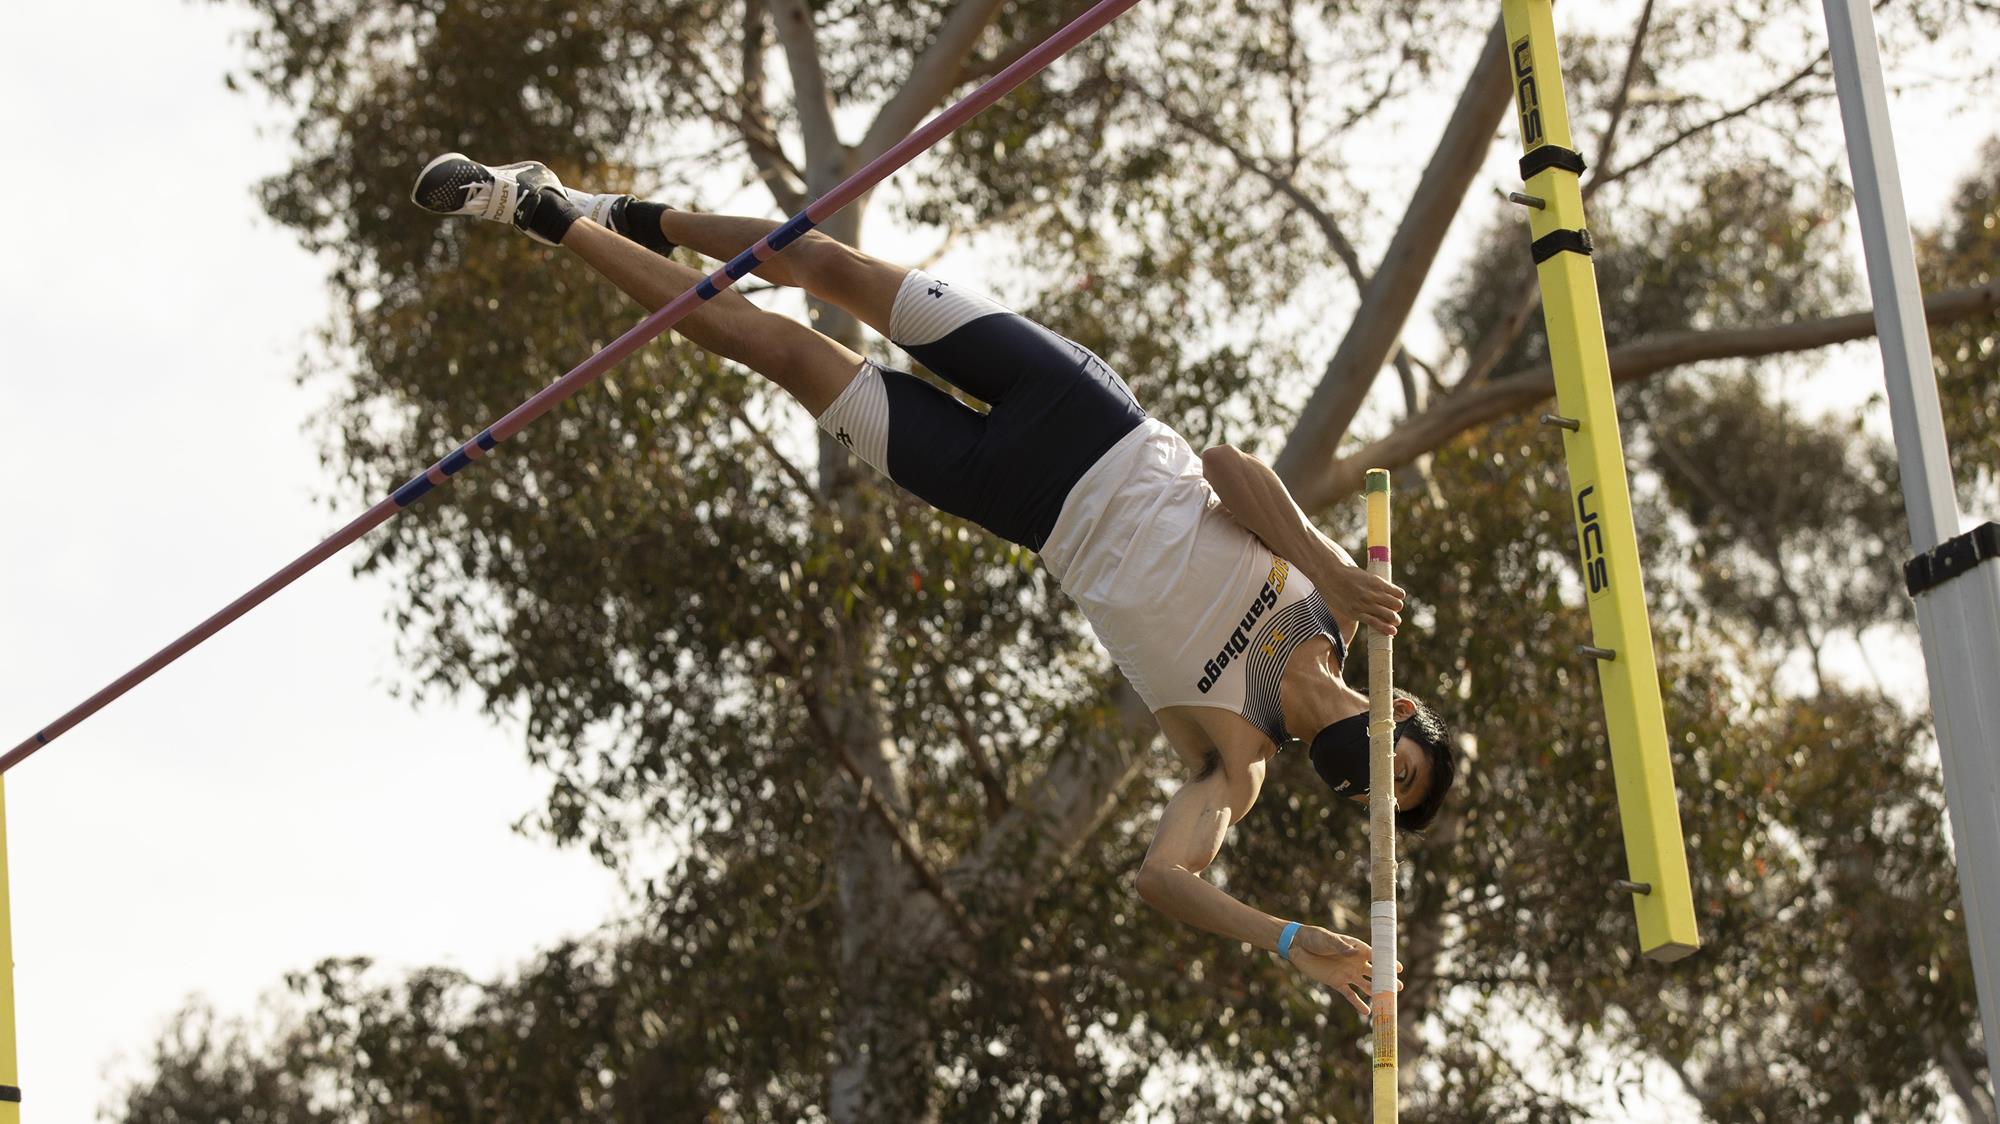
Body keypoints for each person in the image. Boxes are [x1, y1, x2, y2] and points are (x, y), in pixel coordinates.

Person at [411, 154, 1457, 1014]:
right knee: (823, 264)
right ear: (1400, 709)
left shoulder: (1232, 762)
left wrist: (1285, 938)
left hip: (1010, 498)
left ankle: (539, 212)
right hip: (1083, 414)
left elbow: (1160, 877)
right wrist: (1326, 563)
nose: (1377, 783)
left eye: (1382, 798)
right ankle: (640, 214)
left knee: (776, 350)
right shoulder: (1329, 598)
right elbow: (1230, 464)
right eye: (1401, 769)